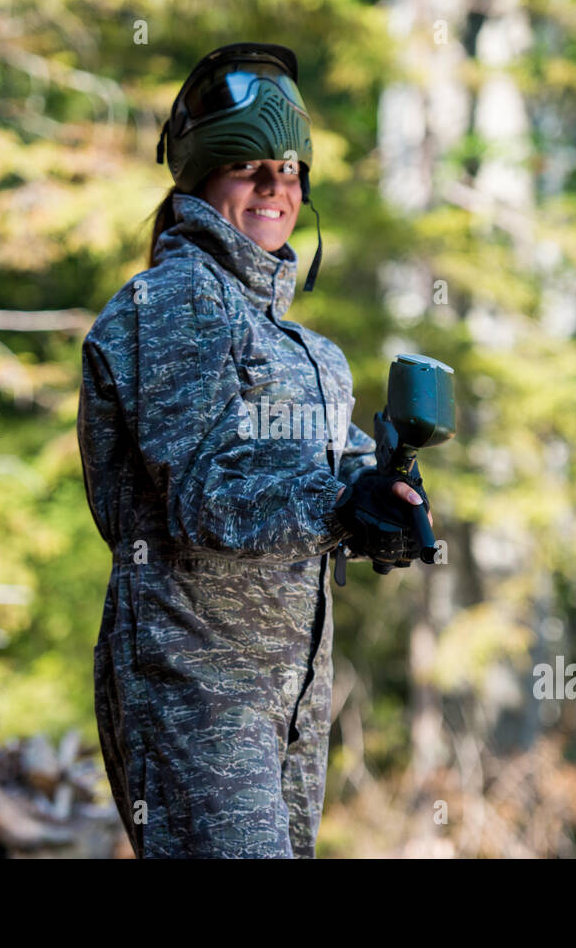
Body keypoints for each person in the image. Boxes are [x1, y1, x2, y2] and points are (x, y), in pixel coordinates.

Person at [77, 42, 434, 858]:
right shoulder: (172, 301)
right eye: (246, 168)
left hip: (292, 694)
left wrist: (382, 491)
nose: (274, 188)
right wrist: (339, 504)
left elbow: (328, 461)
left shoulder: (307, 349)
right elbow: (205, 489)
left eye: (288, 169)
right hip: (195, 686)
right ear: (201, 177)